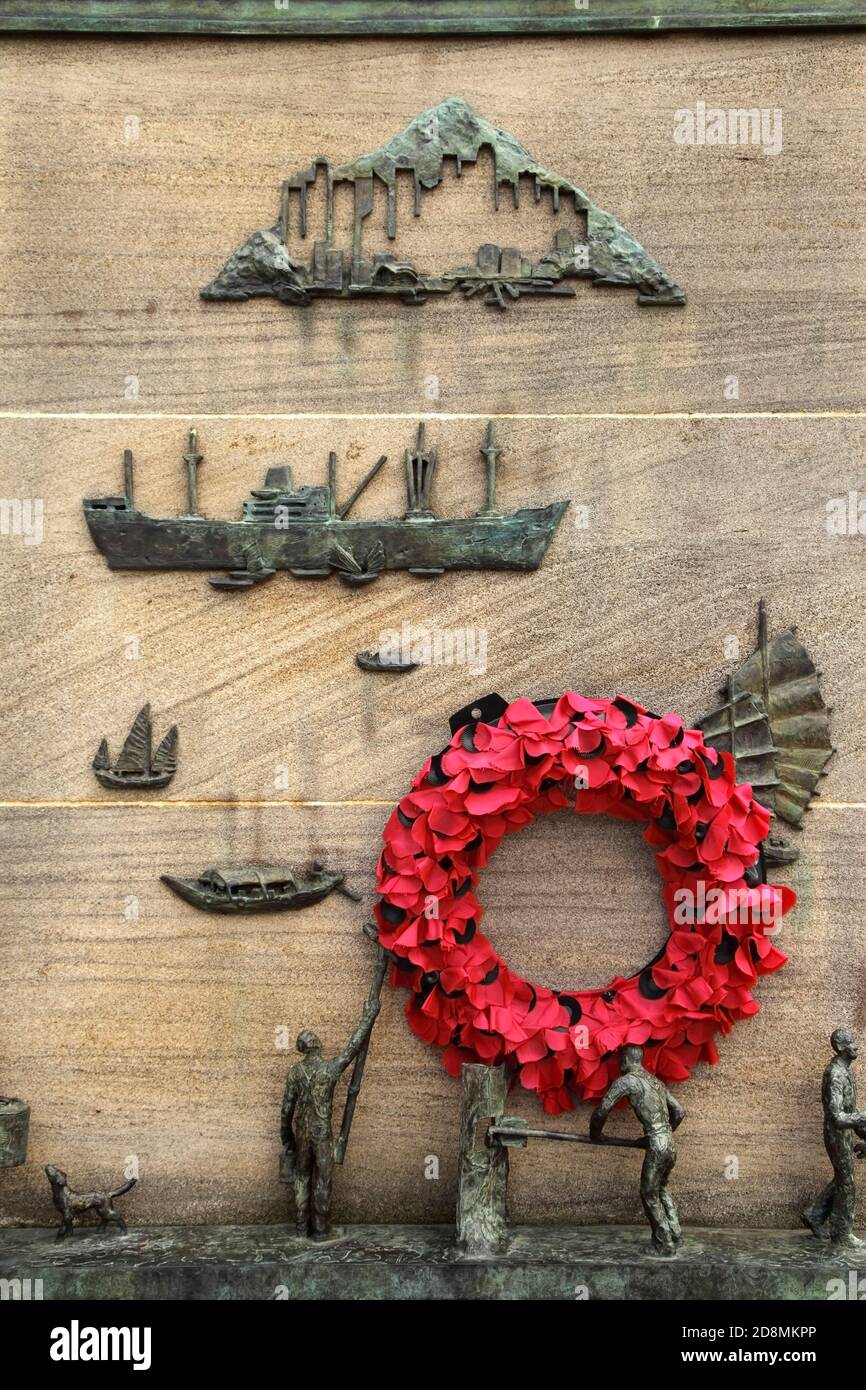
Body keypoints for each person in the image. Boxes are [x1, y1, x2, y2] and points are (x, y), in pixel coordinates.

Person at [280, 979, 381, 1241]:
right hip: (321, 1135)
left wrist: (287, 1138)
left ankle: (302, 1228)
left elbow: (286, 1110)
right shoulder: (328, 1071)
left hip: (301, 1133)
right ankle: (321, 1231)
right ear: (316, 1045)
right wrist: (369, 1017)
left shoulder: (294, 1073)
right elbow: (353, 1048)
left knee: (302, 1177)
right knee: (323, 1180)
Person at [590, 1044, 685, 1256]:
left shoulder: (628, 1081)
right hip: (669, 1143)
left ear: (625, 1060)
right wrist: (663, 1132)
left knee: (648, 1193)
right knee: (662, 1188)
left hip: (658, 1144)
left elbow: (602, 1110)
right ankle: (676, 1235)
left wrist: (595, 1135)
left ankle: (664, 1244)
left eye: (619, 1062)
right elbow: (679, 1111)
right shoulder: (656, 1082)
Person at [802, 1027, 866, 1249]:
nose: (855, 1045)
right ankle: (842, 1233)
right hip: (836, 1134)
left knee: (842, 1177)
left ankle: (814, 1214)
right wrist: (861, 1118)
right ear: (840, 1047)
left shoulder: (846, 1070)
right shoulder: (836, 1074)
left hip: (845, 1133)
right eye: (851, 1042)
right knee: (846, 1182)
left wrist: (861, 1130)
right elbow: (837, 1116)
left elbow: (851, 1109)